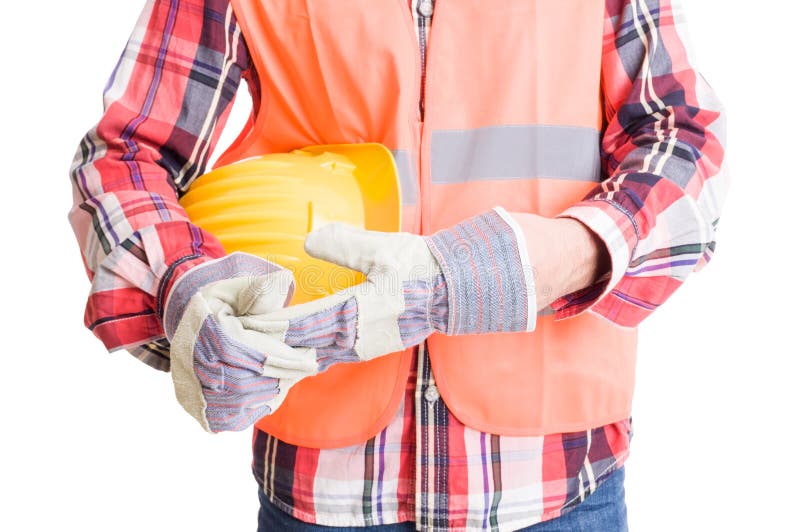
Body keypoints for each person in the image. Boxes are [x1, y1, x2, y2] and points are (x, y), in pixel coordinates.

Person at [68, 0, 728, 530]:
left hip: (556, 483)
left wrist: (555, 257)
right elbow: (125, 156)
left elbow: (684, 141)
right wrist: (183, 284)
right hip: (324, 483)